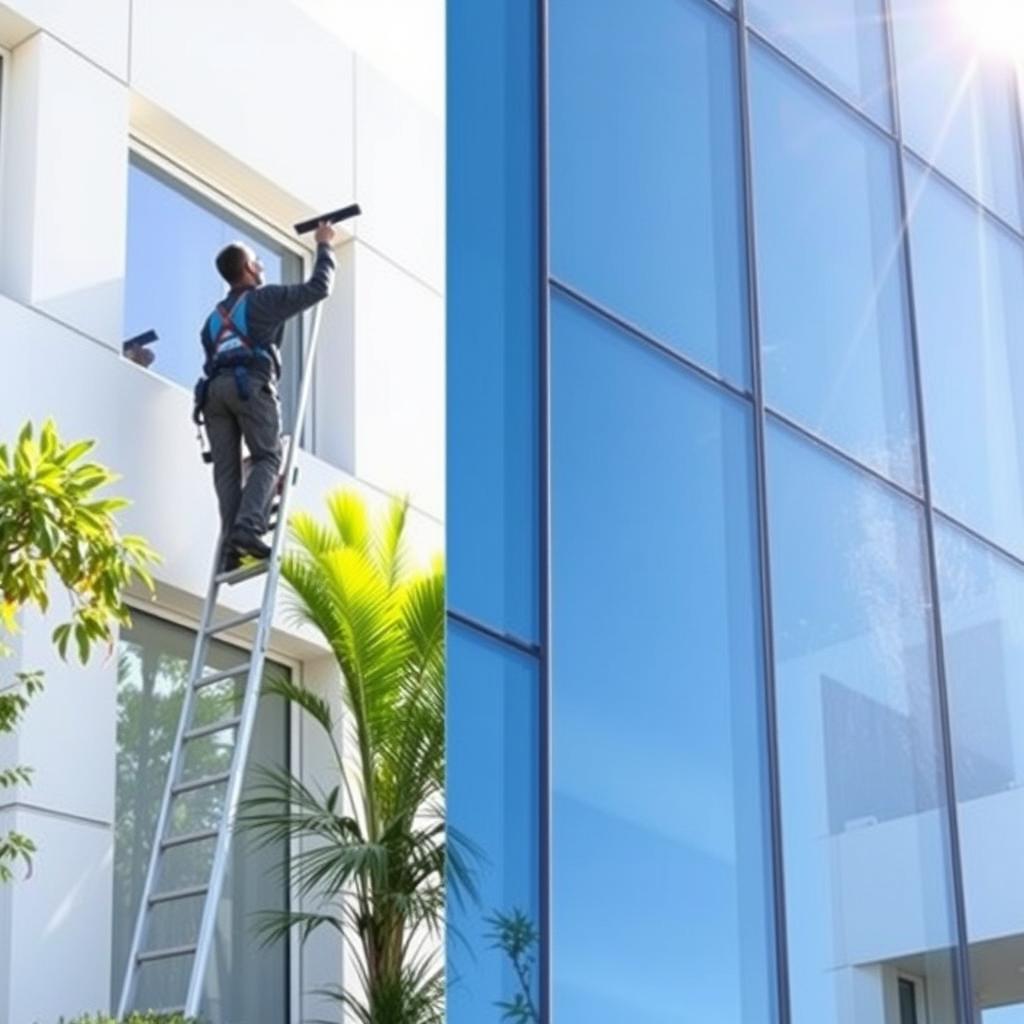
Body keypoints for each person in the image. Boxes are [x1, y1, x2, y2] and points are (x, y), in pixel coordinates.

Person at [198, 221, 336, 572]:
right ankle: (247, 530)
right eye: (257, 261)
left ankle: (231, 547)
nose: (261, 266)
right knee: (268, 457)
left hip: (213, 396)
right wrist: (324, 245)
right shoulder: (263, 299)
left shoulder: (212, 320)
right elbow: (319, 287)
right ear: (247, 268)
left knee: (227, 473)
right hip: (249, 387)